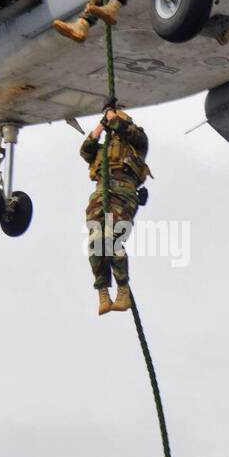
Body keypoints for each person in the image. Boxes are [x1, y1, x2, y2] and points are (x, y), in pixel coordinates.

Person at [81, 102, 150, 315]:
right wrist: (100, 128)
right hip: (101, 192)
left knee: (113, 239)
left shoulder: (137, 141)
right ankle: (102, 290)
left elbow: (125, 129)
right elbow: (85, 151)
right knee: (96, 242)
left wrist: (112, 118)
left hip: (123, 192)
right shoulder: (102, 148)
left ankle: (122, 289)